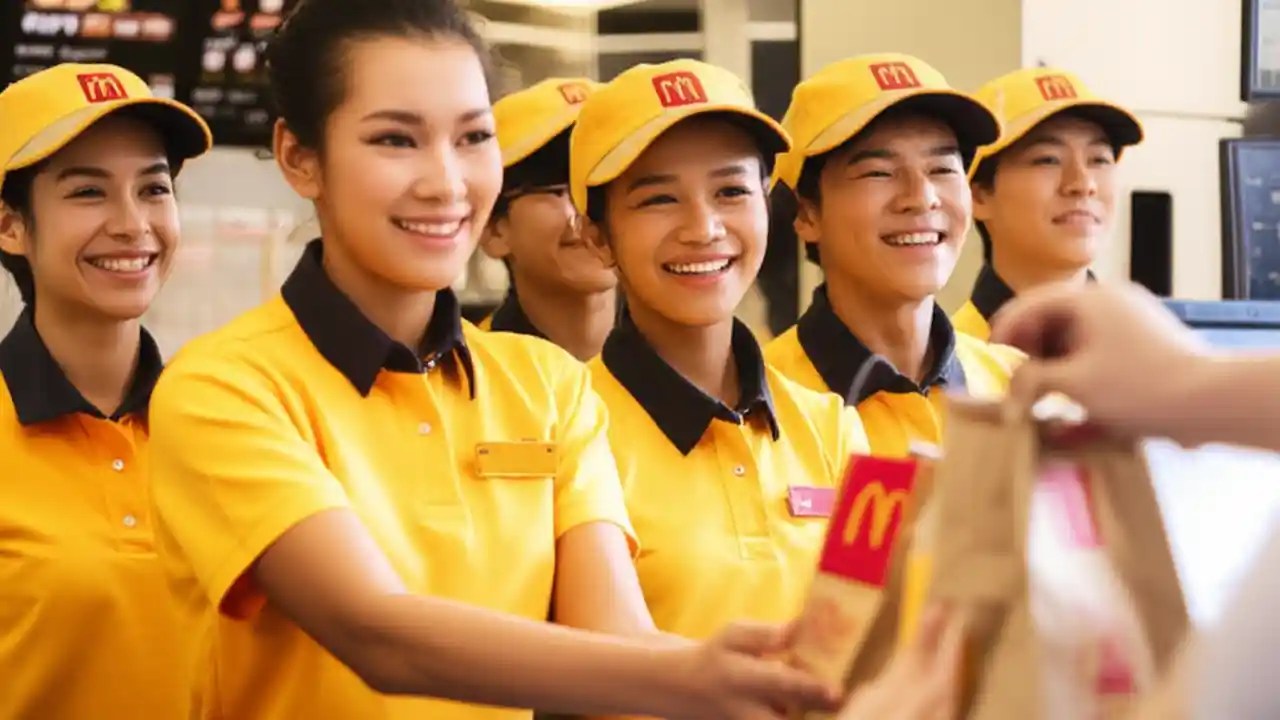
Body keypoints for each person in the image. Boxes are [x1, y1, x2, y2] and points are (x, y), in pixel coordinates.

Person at [144, 1, 840, 719]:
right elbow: (378, 636)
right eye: (395, 140)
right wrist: (699, 677)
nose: (446, 182)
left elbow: (616, 640)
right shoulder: (224, 389)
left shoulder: (547, 387)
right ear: (299, 156)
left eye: (473, 138)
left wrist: (785, 682)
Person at [568, 58, 871, 639]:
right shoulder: (572, 426)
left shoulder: (832, 427)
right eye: (658, 200)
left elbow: (874, 635)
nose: (704, 227)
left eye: (731, 190)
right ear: (597, 236)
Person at [0, 62, 211, 718]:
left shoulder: (221, 422)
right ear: (10, 226)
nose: (131, 223)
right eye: (88, 193)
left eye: (153, 188)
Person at [764, 53, 1022, 456]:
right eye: (878, 173)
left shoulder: (1019, 389)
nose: (921, 198)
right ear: (806, 212)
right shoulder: (762, 408)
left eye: (942, 169)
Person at [951, 67, 1143, 341]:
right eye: (1048, 160)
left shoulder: (1149, 352)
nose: (1082, 183)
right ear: (978, 196)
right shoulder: (946, 369)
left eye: (1098, 159)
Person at [478, 77, 619, 360]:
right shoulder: (471, 383)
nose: (587, 212)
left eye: (605, 185)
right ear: (493, 230)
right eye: (557, 190)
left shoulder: (698, 362)